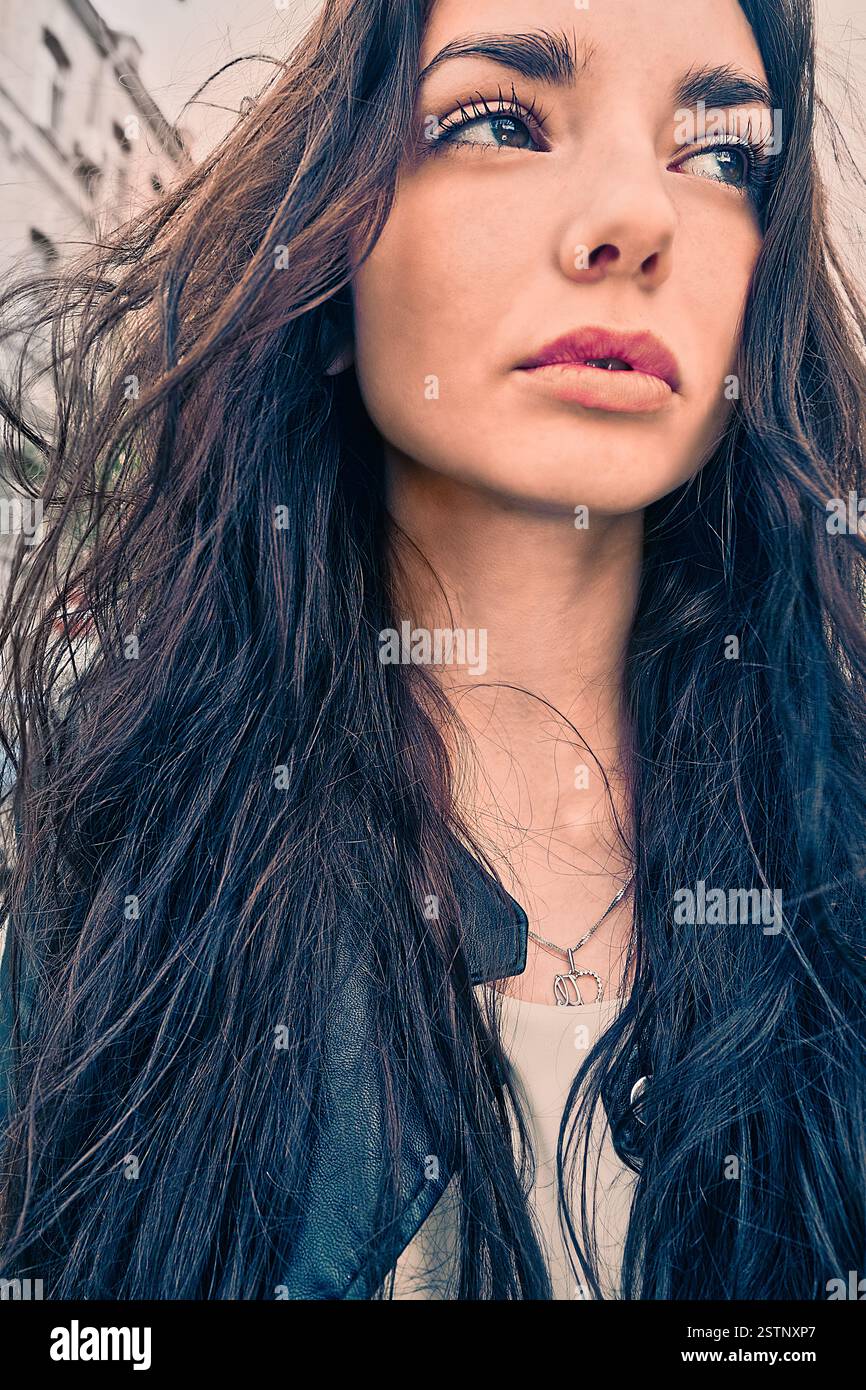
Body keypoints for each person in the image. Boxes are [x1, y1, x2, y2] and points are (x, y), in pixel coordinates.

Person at [0, 0, 864, 1300]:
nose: (638, 217)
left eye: (717, 153)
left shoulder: (835, 851)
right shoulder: (128, 844)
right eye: (501, 121)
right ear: (337, 257)